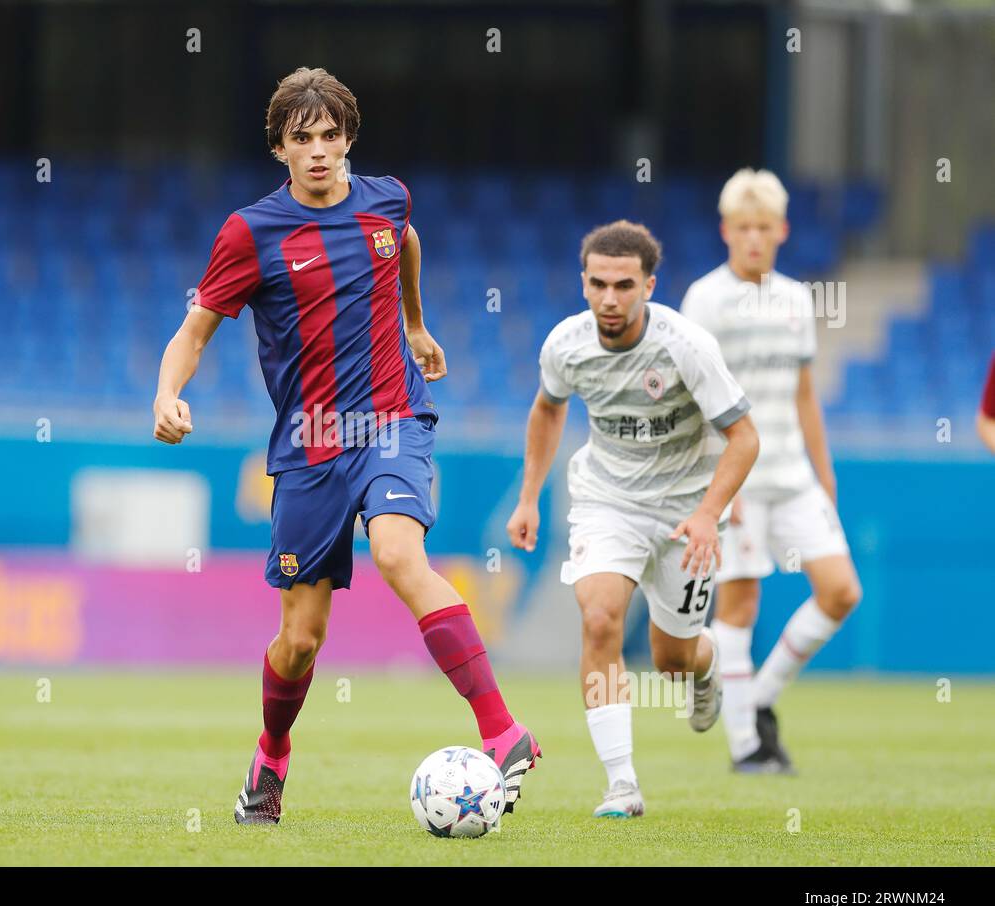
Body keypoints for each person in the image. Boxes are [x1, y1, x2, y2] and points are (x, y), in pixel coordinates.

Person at [152, 67, 539, 826]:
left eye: (332, 136)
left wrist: (416, 325)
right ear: (280, 150)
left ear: (349, 139)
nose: (321, 151)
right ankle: (270, 758)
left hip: (392, 421)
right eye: (304, 140)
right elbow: (194, 329)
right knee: (300, 640)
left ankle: (504, 731)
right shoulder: (249, 233)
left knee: (400, 554)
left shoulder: (386, 199)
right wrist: (167, 392)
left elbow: (405, 242)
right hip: (310, 446)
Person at [507, 220, 759, 818]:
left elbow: (745, 437)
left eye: (624, 285)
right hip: (607, 500)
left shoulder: (686, 346)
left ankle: (706, 664)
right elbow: (547, 408)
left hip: (684, 512)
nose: (610, 299)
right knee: (598, 621)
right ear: (584, 282)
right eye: (598, 284)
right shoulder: (566, 344)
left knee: (672, 659)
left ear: (649, 284)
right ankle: (621, 784)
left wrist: (707, 515)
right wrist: (528, 497)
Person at [680, 169, 862, 774]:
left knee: (841, 591)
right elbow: (692, 398)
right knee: (740, 604)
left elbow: (805, 393)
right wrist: (712, 484)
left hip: (792, 473)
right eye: (743, 228)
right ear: (726, 230)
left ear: (781, 230)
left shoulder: (795, 298)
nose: (754, 238)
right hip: (737, 476)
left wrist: (823, 472)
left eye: (764, 227)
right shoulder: (705, 299)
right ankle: (748, 749)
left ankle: (756, 698)